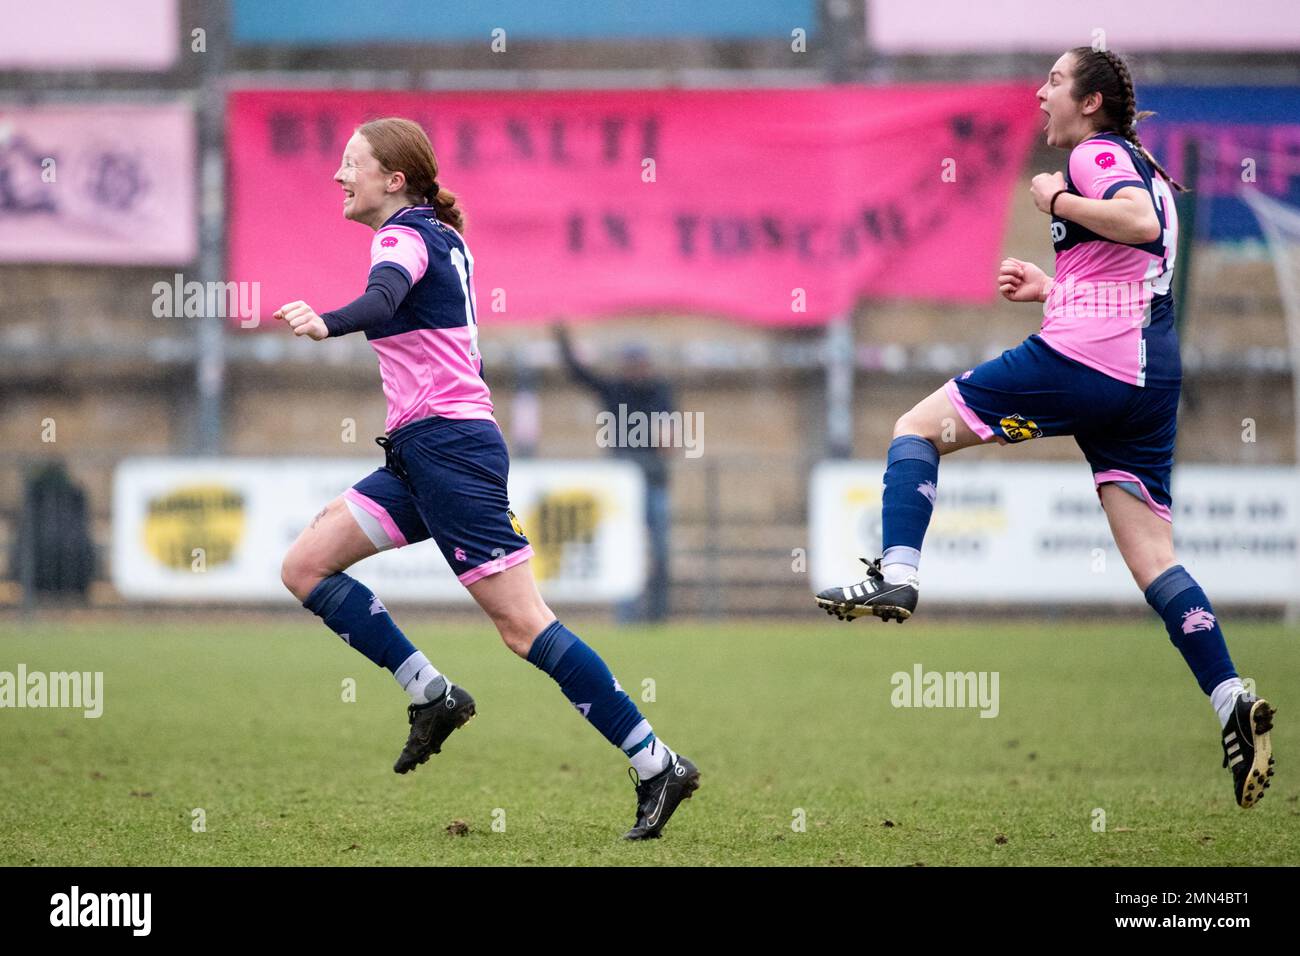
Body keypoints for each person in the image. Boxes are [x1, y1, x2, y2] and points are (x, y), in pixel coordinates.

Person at [814, 48, 1276, 810]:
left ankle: (899, 570)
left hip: (1090, 361)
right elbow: (1137, 269)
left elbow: (1135, 222)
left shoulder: (1095, 157)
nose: (1041, 91)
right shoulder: (1142, 161)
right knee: (1155, 559)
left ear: (1092, 101)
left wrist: (1055, 201)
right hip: (1147, 375)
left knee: (916, 428)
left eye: (1056, 81)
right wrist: (1052, 288)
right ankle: (1230, 698)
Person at [274, 117, 699, 839]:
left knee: (523, 626)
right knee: (306, 566)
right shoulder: (437, 234)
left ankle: (658, 764)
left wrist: (327, 322)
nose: (339, 177)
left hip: (451, 452)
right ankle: (430, 693)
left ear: (394, 179)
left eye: (352, 164)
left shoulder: (403, 236)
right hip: (421, 452)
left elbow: (381, 300)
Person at [554, 326, 675, 623]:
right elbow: (579, 373)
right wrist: (563, 338)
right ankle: (628, 617)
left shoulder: (660, 390)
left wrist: (666, 439)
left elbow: (669, 436)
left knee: (659, 551)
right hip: (623, 486)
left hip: (654, 480)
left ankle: (658, 616)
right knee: (626, 551)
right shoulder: (615, 389)